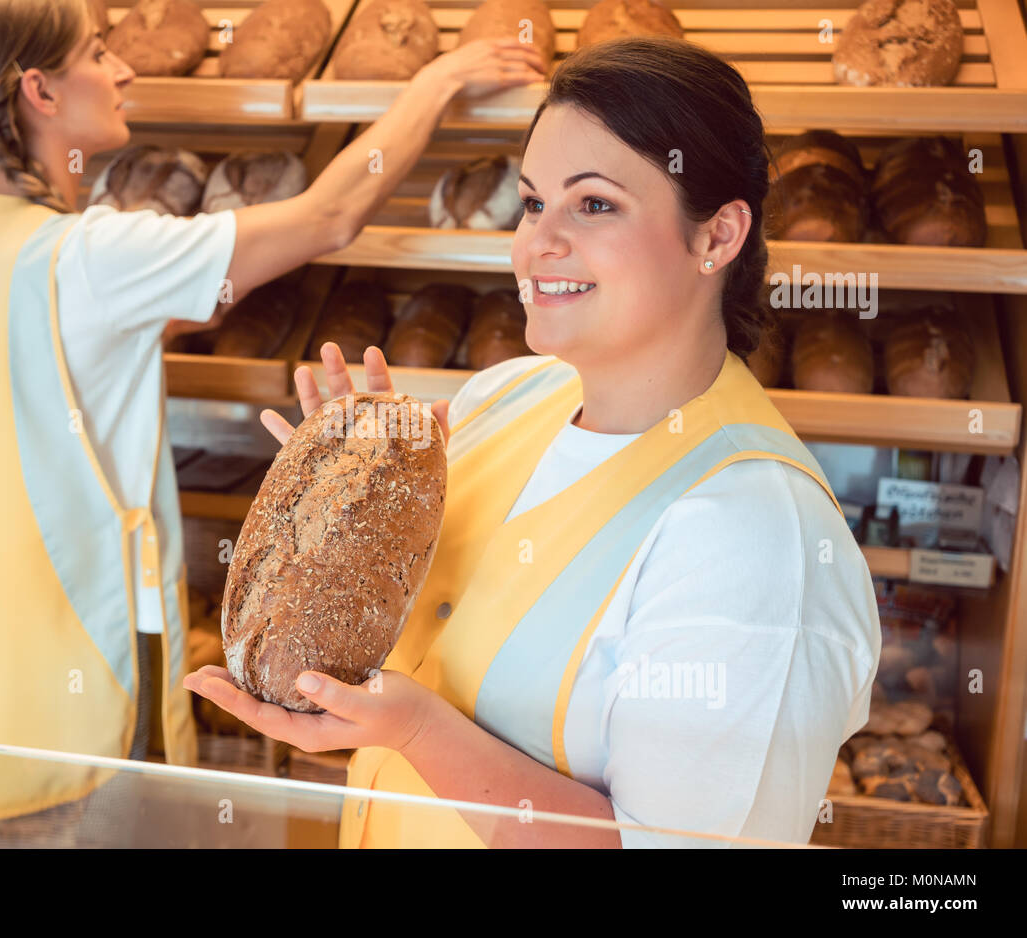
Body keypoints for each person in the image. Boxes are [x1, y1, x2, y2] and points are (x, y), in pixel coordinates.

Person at [186, 37, 883, 848]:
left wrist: (418, 731)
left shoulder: (755, 538)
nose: (537, 244)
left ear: (718, 237)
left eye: (595, 205)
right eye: (531, 202)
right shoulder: (502, 398)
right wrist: (349, 511)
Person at [0, 0, 545, 841]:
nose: (124, 69)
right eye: (98, 53)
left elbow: (85, 342)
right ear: (40, 92)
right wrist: (440, 80)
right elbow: (326, 217)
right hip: (72, 661)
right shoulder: (90, 256)